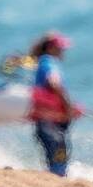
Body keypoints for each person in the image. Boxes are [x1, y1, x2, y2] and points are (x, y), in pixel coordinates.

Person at [27, 31, 81, 176]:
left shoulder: (41, 62)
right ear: (51, 48)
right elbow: (54, 82)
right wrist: (68, 106)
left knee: (55, 155)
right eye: (60, 48)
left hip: (44, 122)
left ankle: (56, 176)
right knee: (59, 153)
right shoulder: (48, 61)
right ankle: (58, 178)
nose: (63, 51)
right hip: (49, 122)